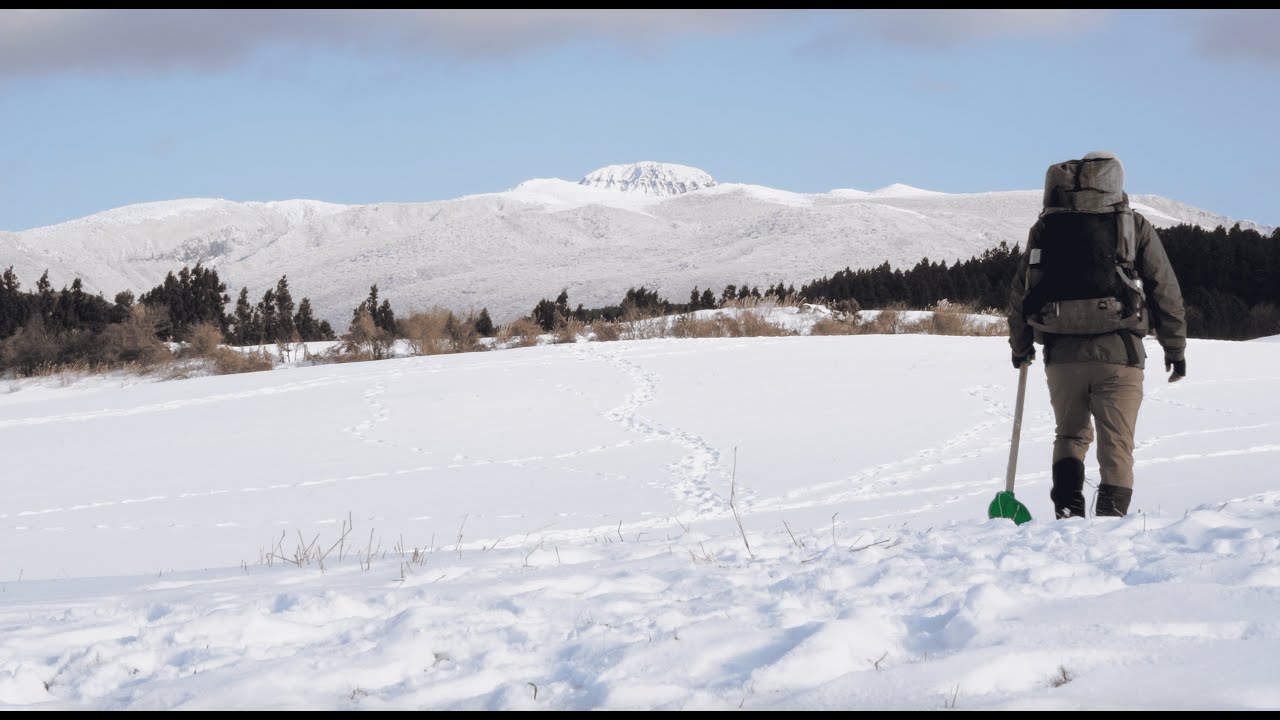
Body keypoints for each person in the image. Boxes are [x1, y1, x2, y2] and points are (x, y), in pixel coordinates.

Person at [1007, 151, 1187, 519]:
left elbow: (1021, 293)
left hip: (1062, 355)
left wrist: (1020, 346)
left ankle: (1068, 515)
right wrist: (1175, 348)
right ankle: (1109, 525)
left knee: (1070, 435)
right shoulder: (1133, 225)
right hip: (1121, 353)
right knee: (1116, 444)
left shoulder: (1046, 227)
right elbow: (1164, 288)